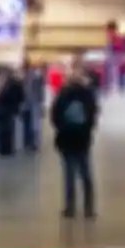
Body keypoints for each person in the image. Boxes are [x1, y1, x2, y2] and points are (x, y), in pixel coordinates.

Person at [51, 68, 99, 219]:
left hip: (66, 139)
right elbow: (93, 115)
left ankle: (70, 208)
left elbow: (55, 115)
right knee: (86, 175)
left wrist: (61, 128)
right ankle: (89, 208)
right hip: (82, 139)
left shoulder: (62, 94)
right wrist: (87, 129)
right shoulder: (88, 94)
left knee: (69, 175)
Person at [0, 67, 25, 156]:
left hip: (3, 108)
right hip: (8, 108)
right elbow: (21, 96)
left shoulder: (0, 83)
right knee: (8, 129)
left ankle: (4, 148)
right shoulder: (15, 83)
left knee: (4, 129)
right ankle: (7, 148)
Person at [20, 64, 46, 152]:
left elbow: (39, 91)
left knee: (34, 124)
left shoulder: (33, 77)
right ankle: (32, 143)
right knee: (33, 123)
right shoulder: (32, 77)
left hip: (32, 102)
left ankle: (34, 143)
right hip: (32, 102)